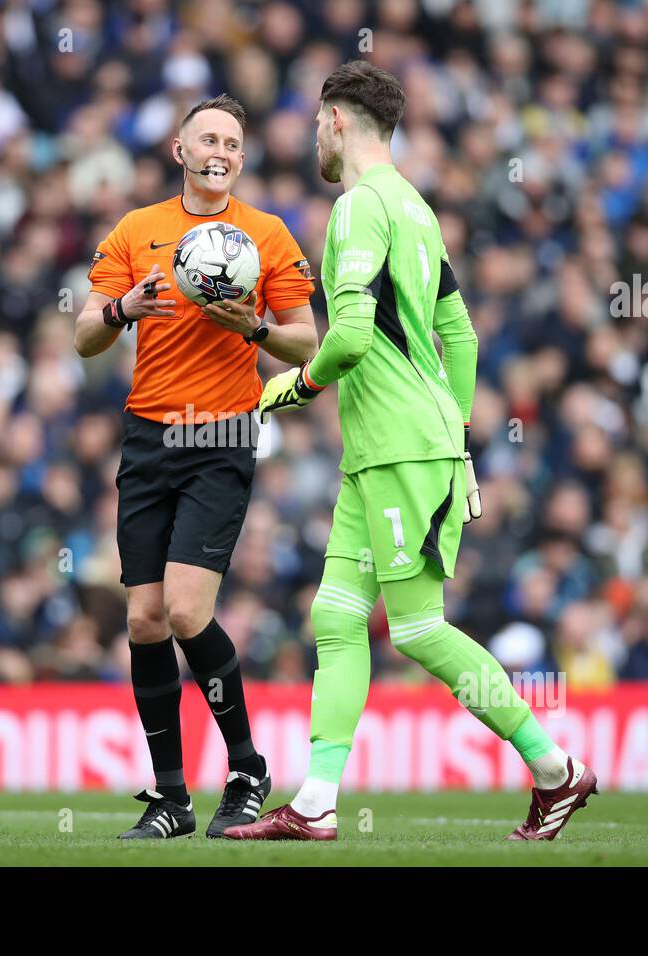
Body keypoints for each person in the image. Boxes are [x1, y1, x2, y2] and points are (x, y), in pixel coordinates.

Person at [229, 61, 598, 842]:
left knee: (419, 628)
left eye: (315, 124)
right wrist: (456, 432)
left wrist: (283, 386)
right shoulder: (419, 209)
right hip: (385, 452)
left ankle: (556, 769)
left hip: (401, 448)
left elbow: (353, 338)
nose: (311, 139)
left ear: (336, 121)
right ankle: (318, 803)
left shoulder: (358, 207)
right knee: (335, 617)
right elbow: (458, 335)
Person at [74, 94, 319, 839]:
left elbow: (308, 343)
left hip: (219, 436)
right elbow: (84, 334)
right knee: (145, 620)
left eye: (234, 142)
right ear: (180, 150)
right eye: (208, 137)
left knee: (186, 609)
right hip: (149, 437)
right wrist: (123, 312)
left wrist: (257, 329)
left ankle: (246, 768)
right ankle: (173, 799)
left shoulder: (268, 236)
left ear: (242, 159)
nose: (221, 149)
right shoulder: (136, 231)